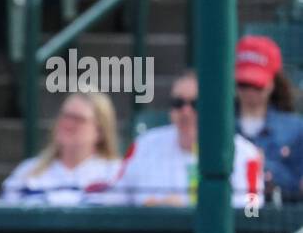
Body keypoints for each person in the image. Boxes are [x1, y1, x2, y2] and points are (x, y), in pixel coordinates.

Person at [101, 70, 263, 207]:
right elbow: (110, 198)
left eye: (196, 104)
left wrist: (191, 208)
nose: (186, 111)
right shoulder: (143, 145)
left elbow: (252, 210)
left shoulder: (246, 153)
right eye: (178, 103)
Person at [0, 89, 122, 204]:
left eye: (78, 119)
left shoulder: (116, 173)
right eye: (65, 115)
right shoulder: (28, 171)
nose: (68, 123)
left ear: (100, 131)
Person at [234, 35, 303, 202]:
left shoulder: (296, 129)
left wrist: (262, 165)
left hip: (275, 221)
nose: (250, 91)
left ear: (273, 82)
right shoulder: (219, 127)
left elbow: (297, 186)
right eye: (244, 83)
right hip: (232, 214)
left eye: (256, 85)